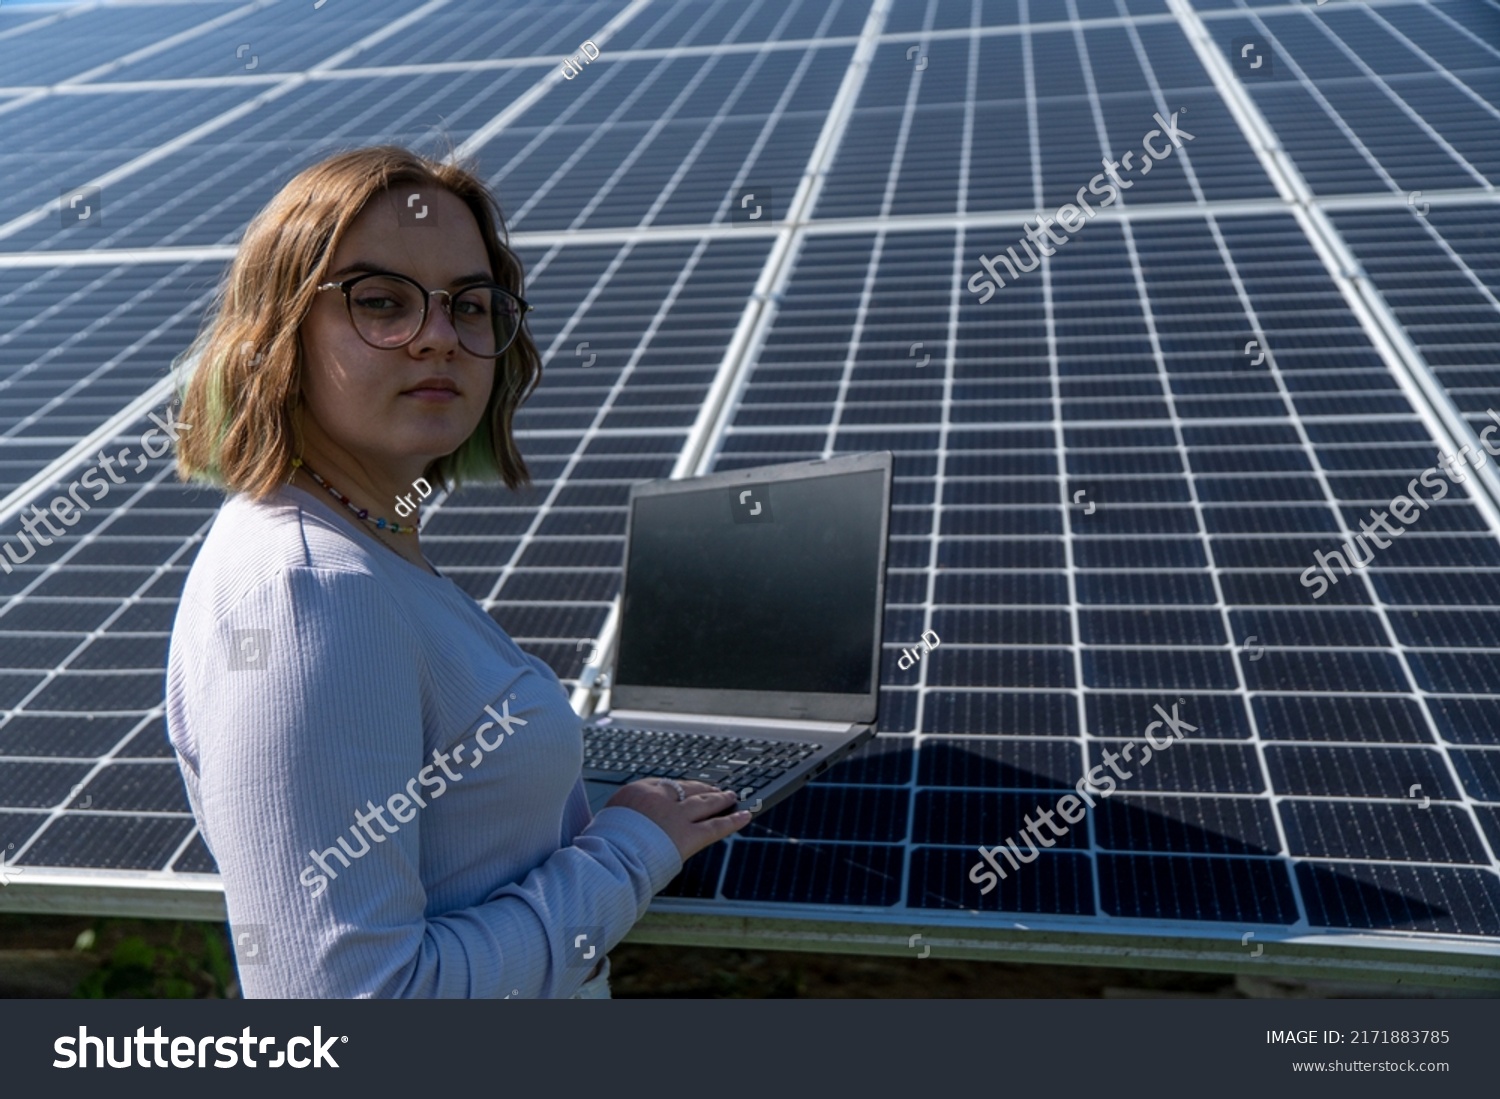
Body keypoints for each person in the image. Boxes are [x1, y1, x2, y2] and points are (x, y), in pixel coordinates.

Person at [164, 145, 751, 998]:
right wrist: (629, 849)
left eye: (470, 306)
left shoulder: (363, 546)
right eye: (381, 302)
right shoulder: (306, 592)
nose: (439, 335)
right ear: (277, 332)